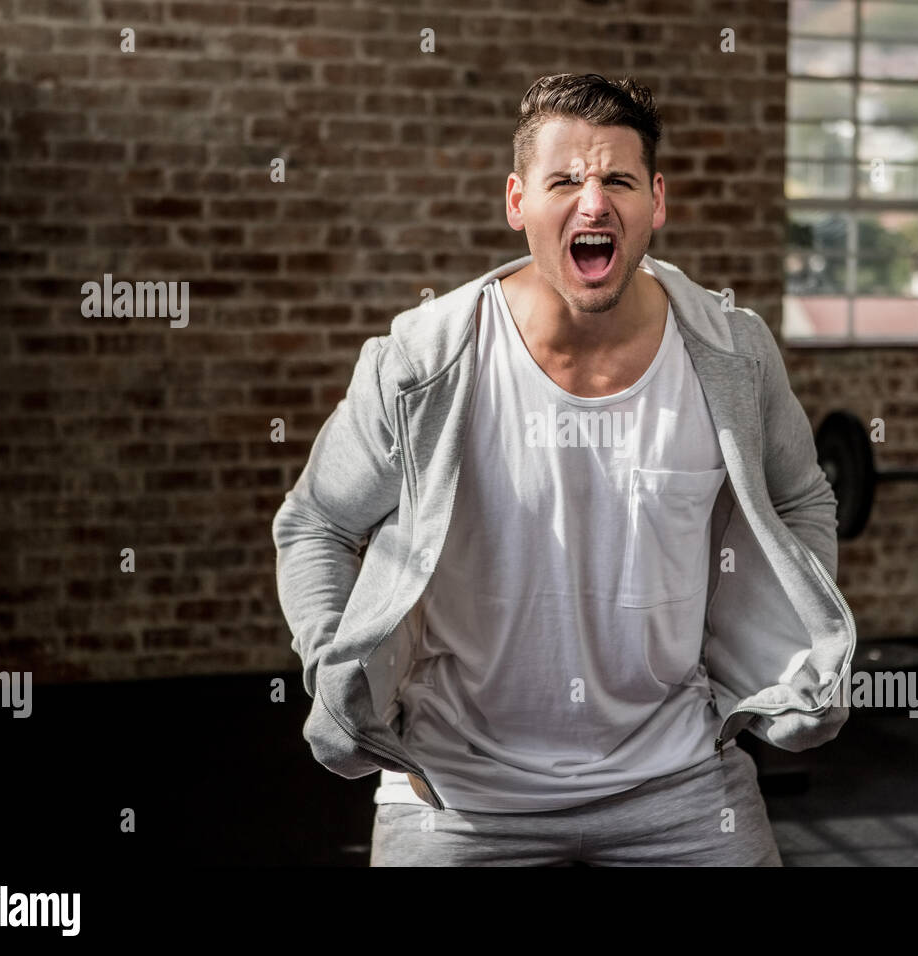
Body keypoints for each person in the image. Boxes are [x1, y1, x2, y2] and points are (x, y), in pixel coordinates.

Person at [271, 72, 857, 866]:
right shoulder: (424, 364)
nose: (593, 202)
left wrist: (791, 650)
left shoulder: (732, 356)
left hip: (680, 782)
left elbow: (801, 497)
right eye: (564, 180)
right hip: (458, 791)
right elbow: (318, 522)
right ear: (517, 203)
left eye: (618, 179)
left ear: (656, 200)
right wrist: (342, 671)